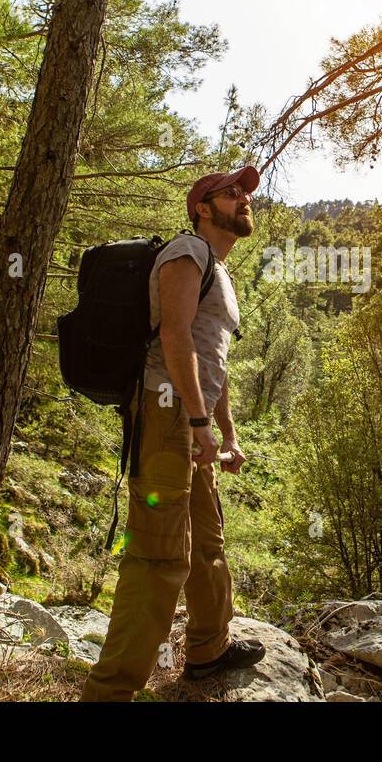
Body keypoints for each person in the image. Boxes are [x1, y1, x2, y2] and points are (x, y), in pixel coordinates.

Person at [81, 165, 266, 701]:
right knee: (158, 557)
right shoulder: (186, 252)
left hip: (190, 421)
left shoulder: (222, 273)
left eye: (245, 192)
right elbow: (174, 335)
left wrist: (225, 433)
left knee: (207, 544)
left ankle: (208, 651)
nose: (243, 199)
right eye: (231, 192)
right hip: (166, 417)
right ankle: (108, 693)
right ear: (202, 208)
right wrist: (196, 421)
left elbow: (215, 363)